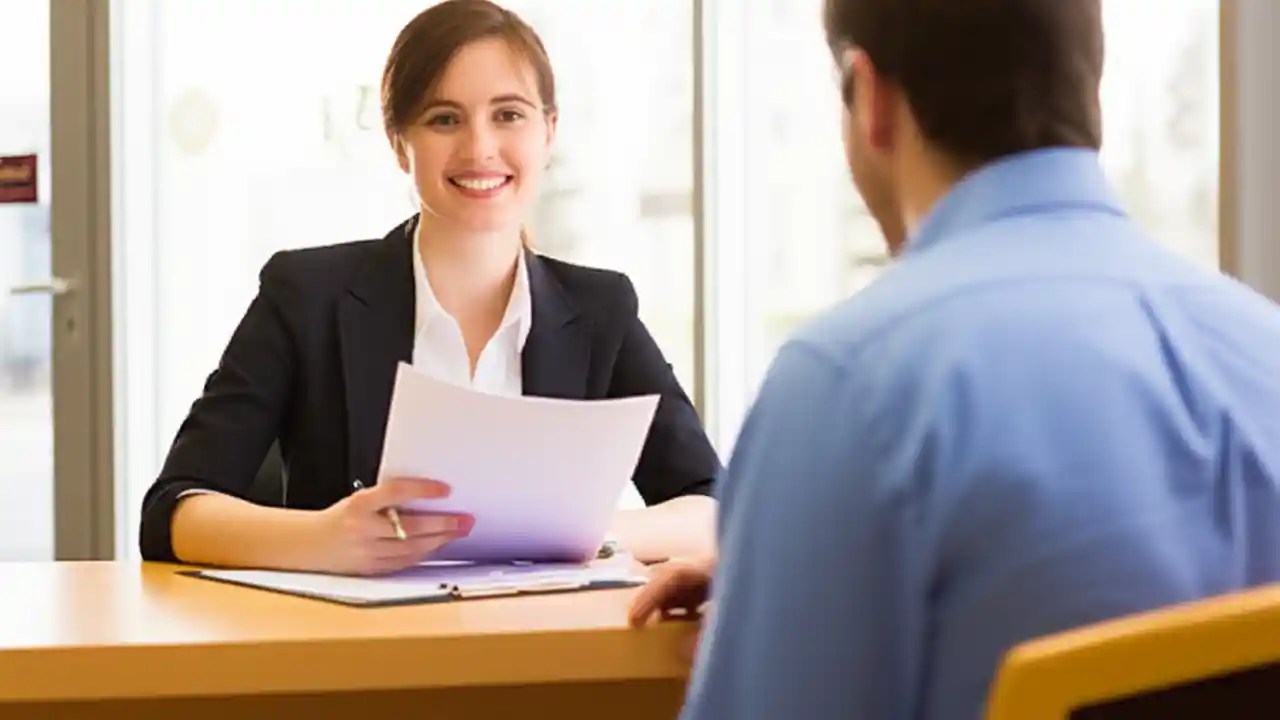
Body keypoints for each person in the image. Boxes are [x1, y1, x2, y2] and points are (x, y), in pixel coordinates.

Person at [632, 1, 1280, 718]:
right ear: (1087, 88)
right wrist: (799, 569)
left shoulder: (850, 382)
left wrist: (781, 599)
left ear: (870, 98)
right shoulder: (1260, 343)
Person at [139, 0, 719, 575]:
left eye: (508, 115)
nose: (479, 148)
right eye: (444, 119)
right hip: (356, 633)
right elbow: (173, 511)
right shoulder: (306, 296)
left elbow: (716, 505)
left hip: (541, 630)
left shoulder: (600, 310)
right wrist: (323, 538)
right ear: (399, 143)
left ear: (549, 130)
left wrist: (586, 531)